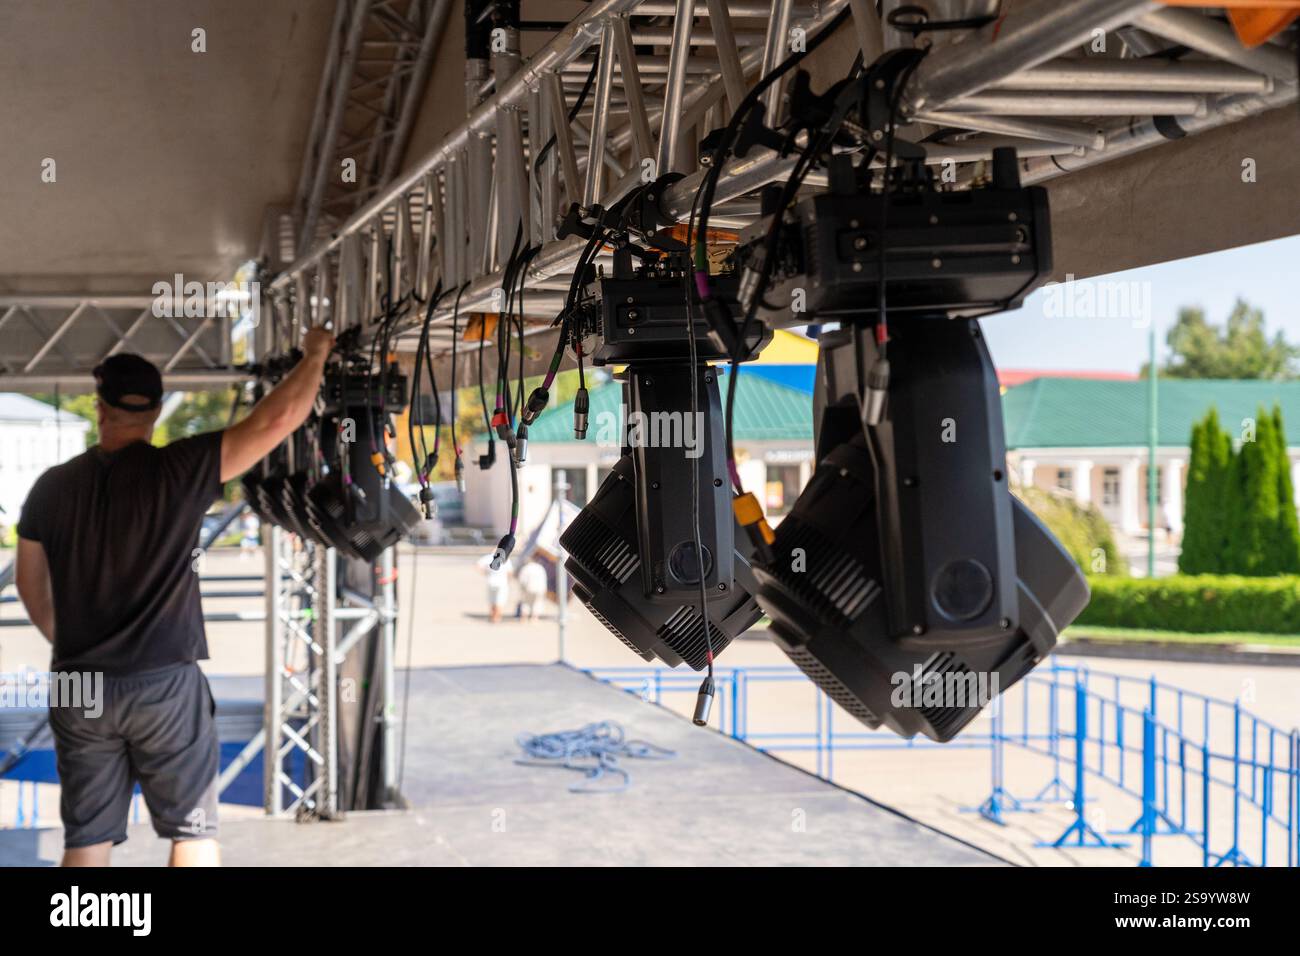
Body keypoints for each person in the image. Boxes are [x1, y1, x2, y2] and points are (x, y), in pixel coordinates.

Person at [14, 328, 333, 867]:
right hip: (163, 679)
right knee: (192, 831)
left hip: (78, 680)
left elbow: (28, 583)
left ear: (100, 407)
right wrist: (317, 355)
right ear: (156, 411)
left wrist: (69, 644)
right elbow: (275, 422)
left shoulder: (52, 486)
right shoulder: (180, 470)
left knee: (86, 840)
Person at [477, 550, 513, 624]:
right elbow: (510, 573)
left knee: (492, 601)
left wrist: (486, 573)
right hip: (502, 583)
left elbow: (477, 565)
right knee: (499, 601)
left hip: (491, 581)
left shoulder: (489, 557)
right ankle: (497, 617)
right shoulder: (506, 559)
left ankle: (493, 616)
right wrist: (508, 581)